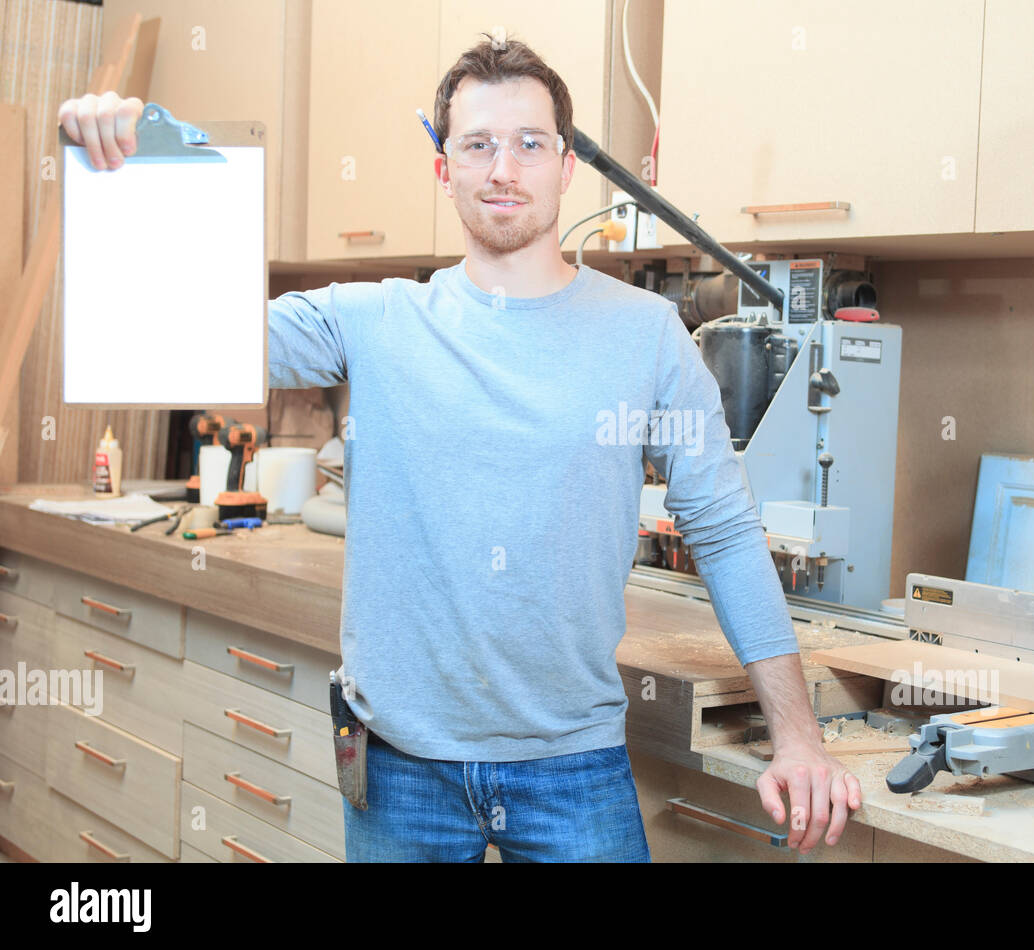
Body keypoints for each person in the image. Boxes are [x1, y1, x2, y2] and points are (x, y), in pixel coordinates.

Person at [58, 34, 862, 863]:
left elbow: (725, 533)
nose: (503, 169)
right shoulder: (371, 320)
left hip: (572, 767)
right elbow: (161, 331)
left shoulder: (647, 333)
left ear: (565, 166)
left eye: (528, 144)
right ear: (444, 170)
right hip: (401, 766)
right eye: (476, 145)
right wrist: (135, 170)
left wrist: (797, 738)